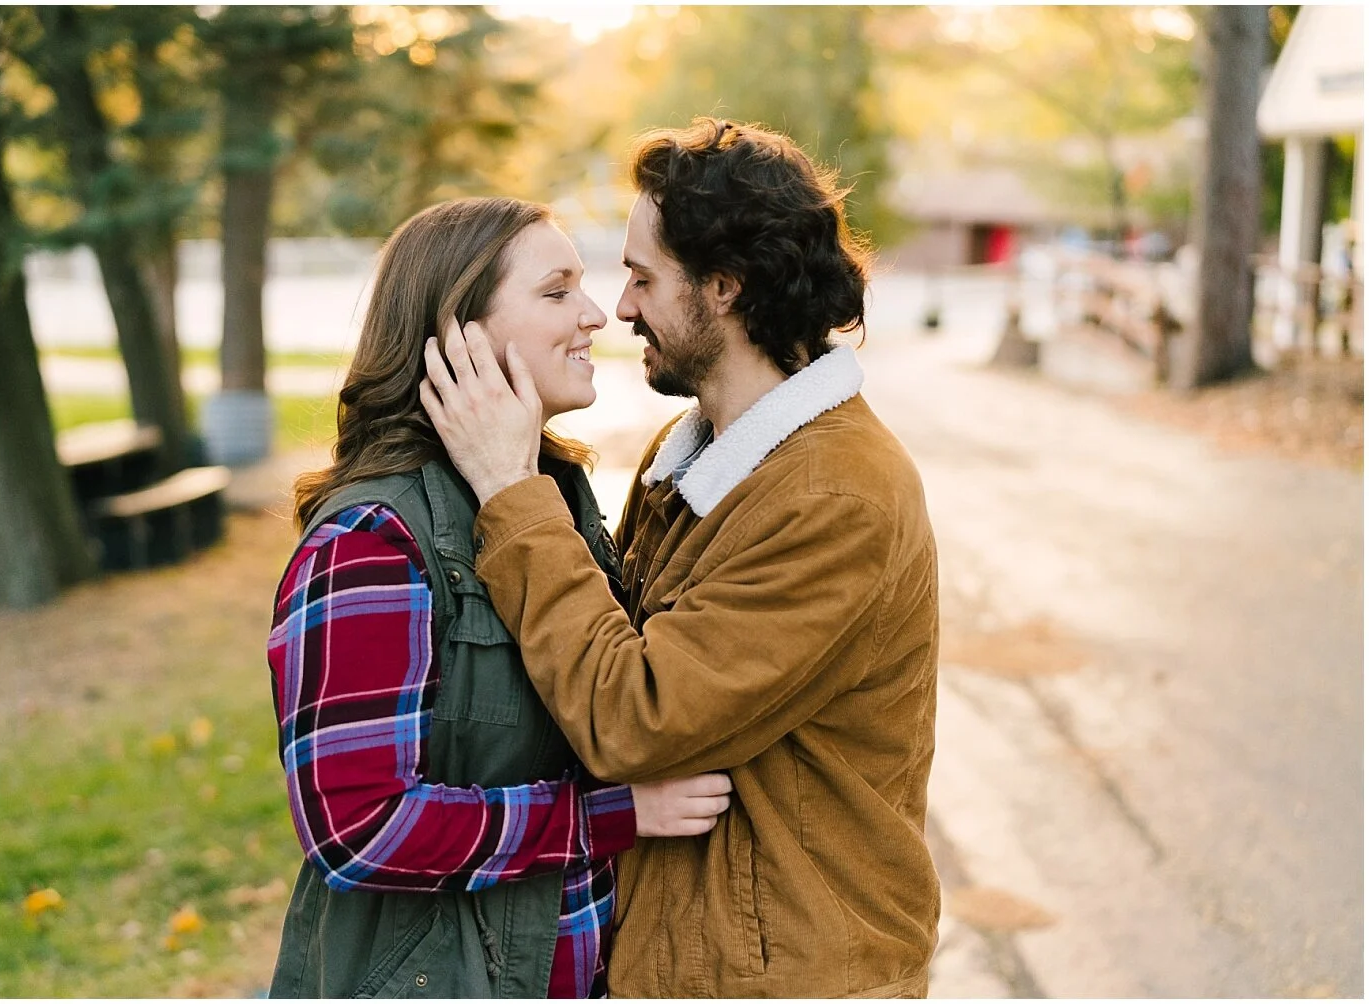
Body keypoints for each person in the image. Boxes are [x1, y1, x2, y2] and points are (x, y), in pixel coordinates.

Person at [421, 119, 942, 998]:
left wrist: (512, 493)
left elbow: (635, 715)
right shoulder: (697, 451)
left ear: (724, 288)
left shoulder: (834, 497)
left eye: (641, 278)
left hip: (791, 975)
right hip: (696, 955)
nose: (620, 308)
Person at [266, 196, 733, 999]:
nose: (595, 315)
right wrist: (612, 814)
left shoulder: (550, 500)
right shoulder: (373, 541)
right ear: (458, 335)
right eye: (555, 293)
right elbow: (355, 825)